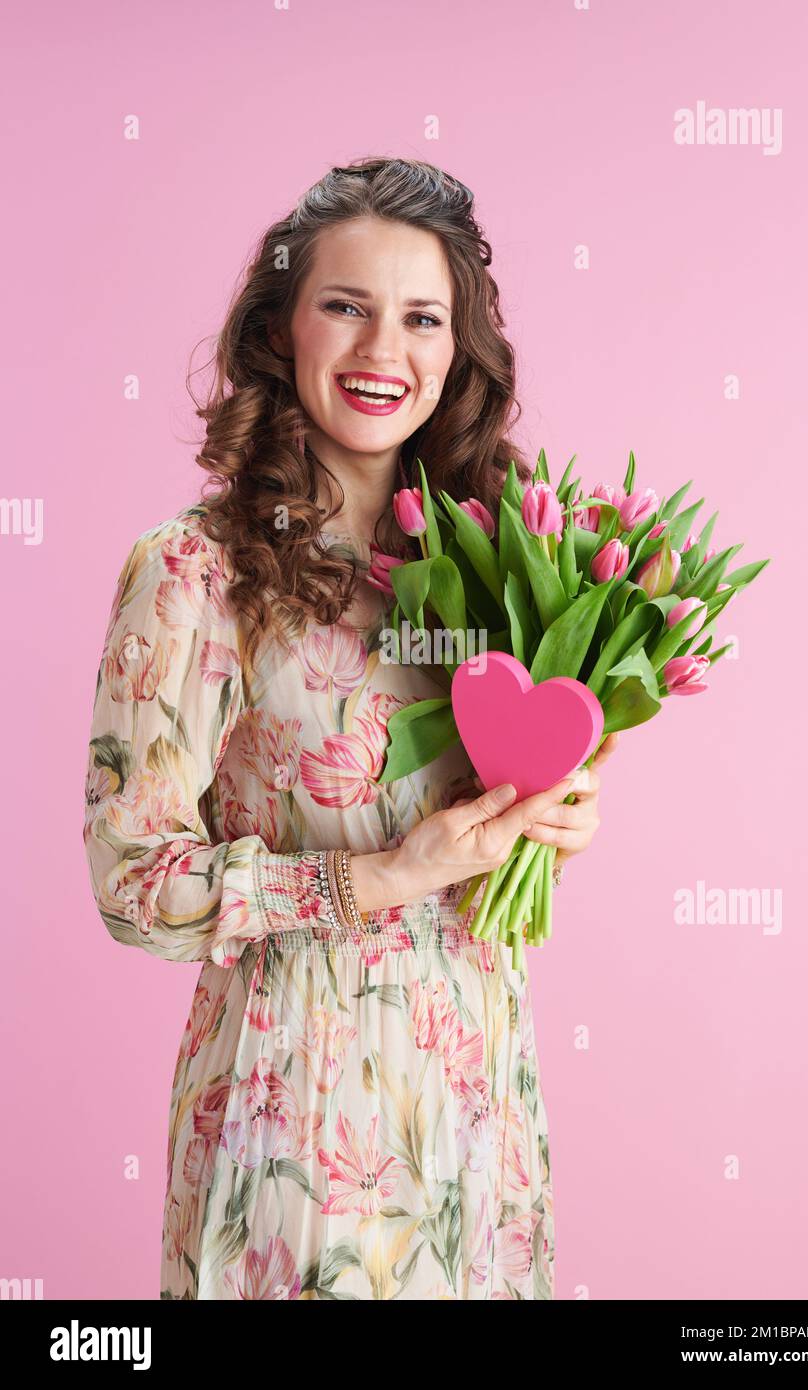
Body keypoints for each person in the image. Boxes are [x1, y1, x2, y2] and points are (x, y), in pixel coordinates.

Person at [83, 156, 617, 1301]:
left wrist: (551, 816)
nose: (384, 349)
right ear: (281, 327)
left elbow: (487, 829)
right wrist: (378, 876)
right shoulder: (195, 570)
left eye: (421, 317)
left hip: (476, 1108)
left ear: (457, 348)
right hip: (296, 1121)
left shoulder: (502, 563)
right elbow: (131, 881)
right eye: (345, 306)